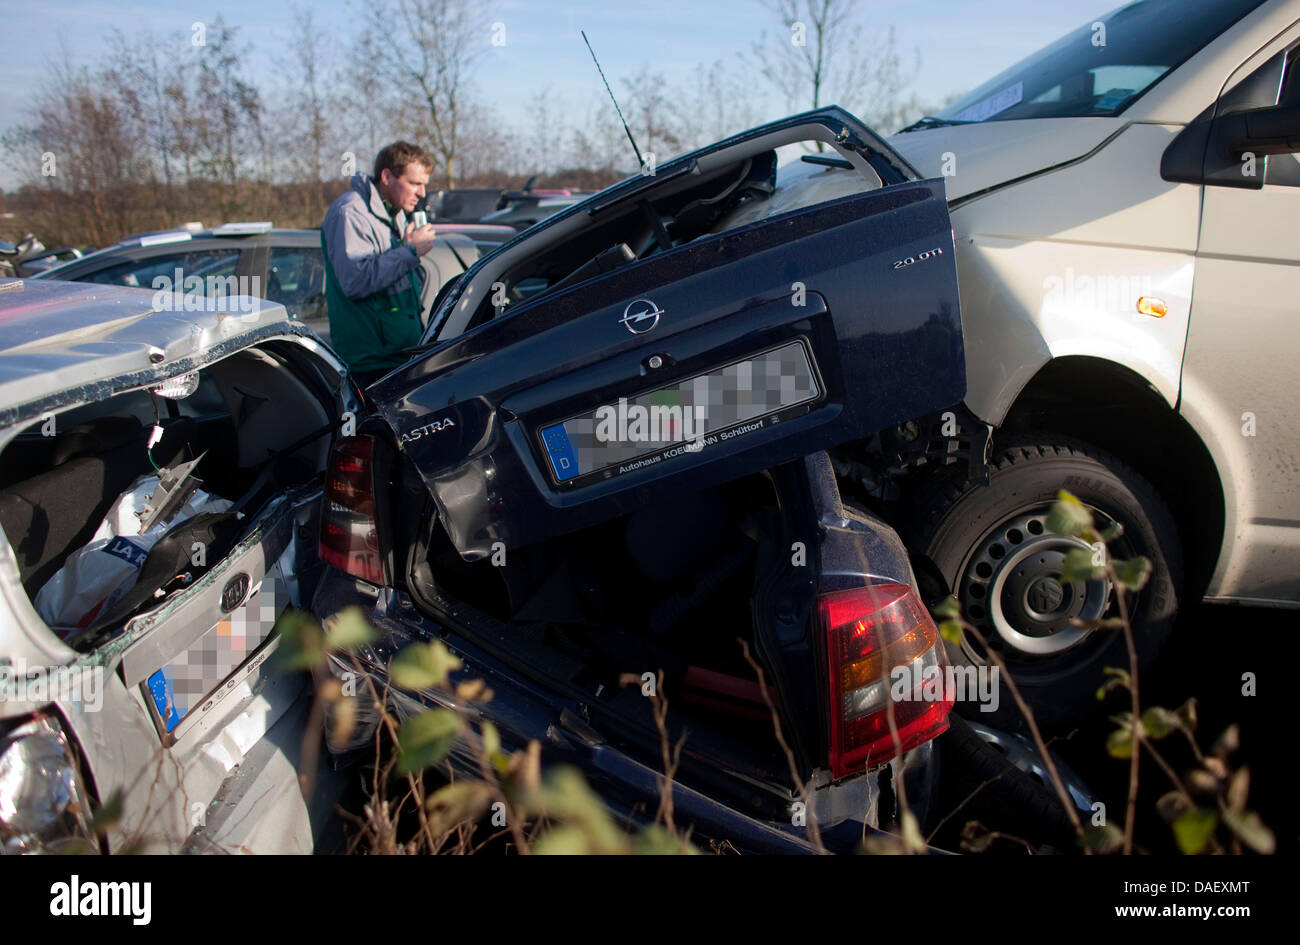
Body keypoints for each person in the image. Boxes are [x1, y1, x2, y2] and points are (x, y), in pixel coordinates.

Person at [321, 141, 438, 386]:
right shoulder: (351, 213)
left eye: (424, 185)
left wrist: (408, 252)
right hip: (372, 364)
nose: (422, 193)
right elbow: (355, 281)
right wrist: (409, 251)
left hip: (399, 355)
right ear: (387, 176)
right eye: (415, 183)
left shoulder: (392, 212)